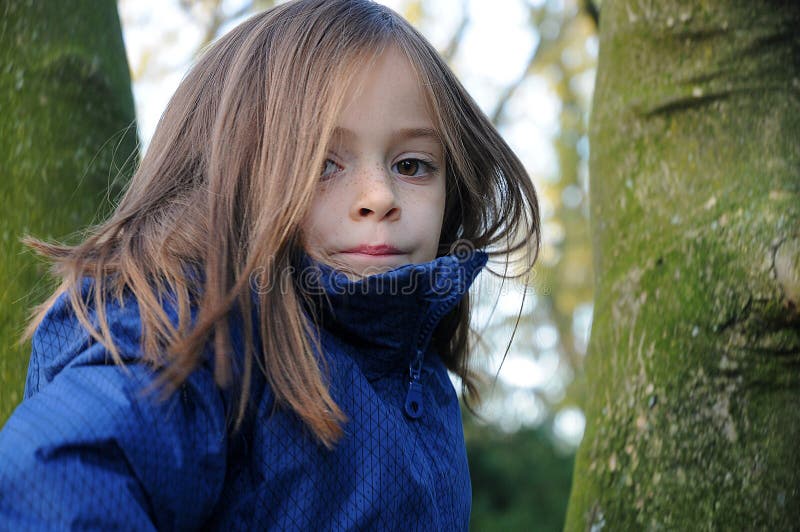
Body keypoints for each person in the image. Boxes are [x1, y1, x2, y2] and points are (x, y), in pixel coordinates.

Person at [0, 0, 540, 529]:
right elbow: (56, 485)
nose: (379, 196)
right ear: (227, 179)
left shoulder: (419, 379)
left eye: (412, 164)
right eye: (322, 163)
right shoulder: (184, 325)